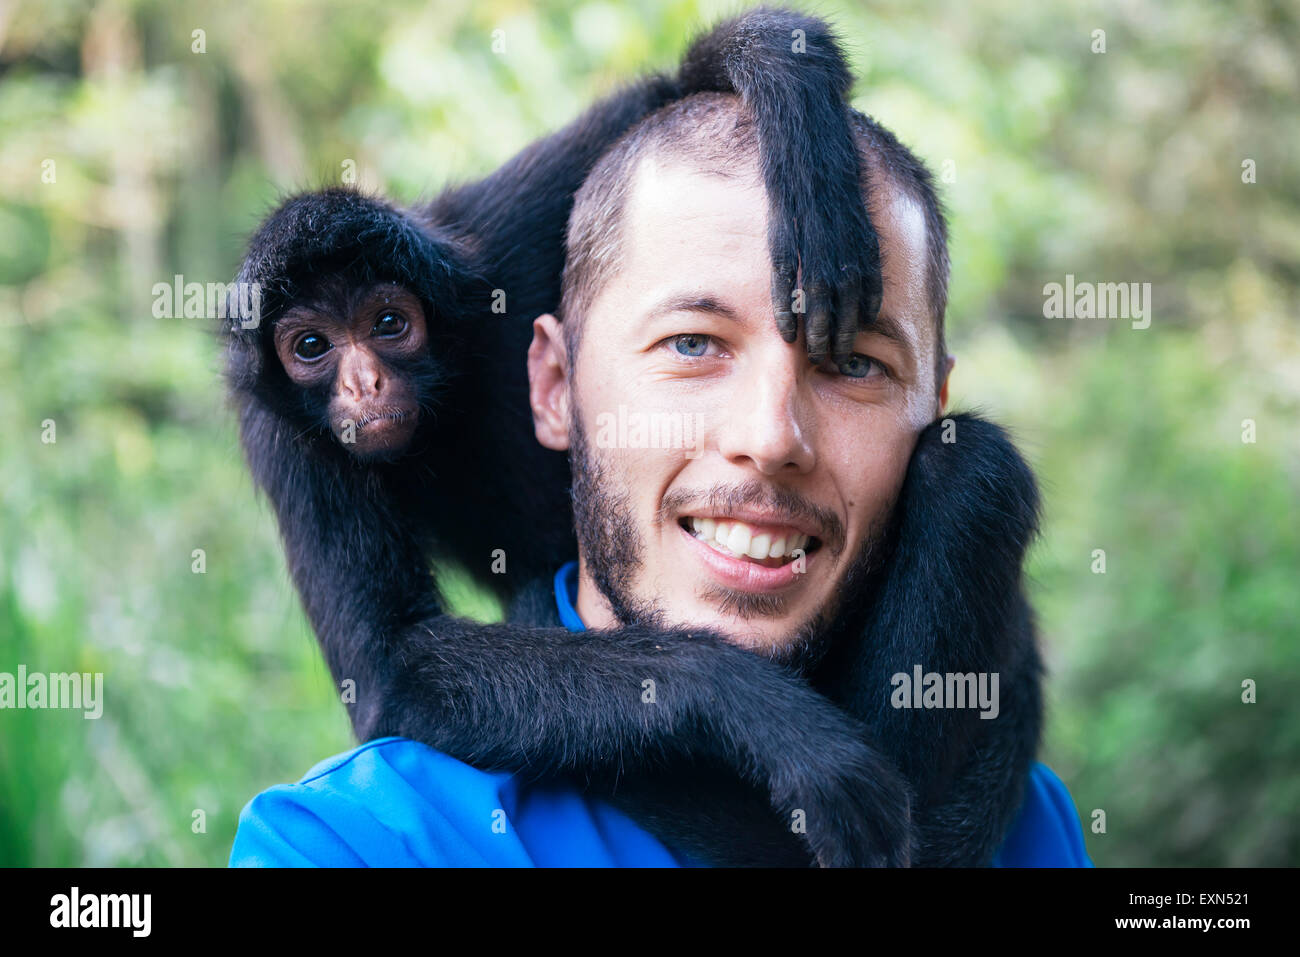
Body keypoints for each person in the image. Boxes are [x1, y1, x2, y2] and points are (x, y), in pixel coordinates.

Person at [230, 93, 1091, 868]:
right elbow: (394, 678)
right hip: (565, 669)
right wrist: (715, 689)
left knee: (983, 468)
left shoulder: (1035, 824)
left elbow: (742, 51)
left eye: (851, 358)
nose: (770, 437)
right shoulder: (353, 843)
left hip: (914, 748)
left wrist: (817, 203)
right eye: (692, 344)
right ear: (556, 383)